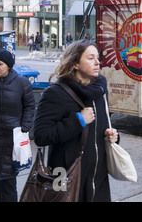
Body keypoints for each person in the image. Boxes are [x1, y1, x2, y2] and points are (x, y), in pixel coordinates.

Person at [33, 40, 118, 202]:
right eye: (90, 58)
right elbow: (41, 135)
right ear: (75, 64)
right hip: (63, 173)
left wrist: (113, 136)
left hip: (97, 175)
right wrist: (78, 120)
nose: (97, 62)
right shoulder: (56, 92)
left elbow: (103, 126)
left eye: (97, 58)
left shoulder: (100, 89)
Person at [0, 49, 35, 202]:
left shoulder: (21, 82)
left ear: (9, 66)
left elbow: (29, 106)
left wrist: (25, 127)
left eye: (0, 64)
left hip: (12, 139)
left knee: (8, 180)